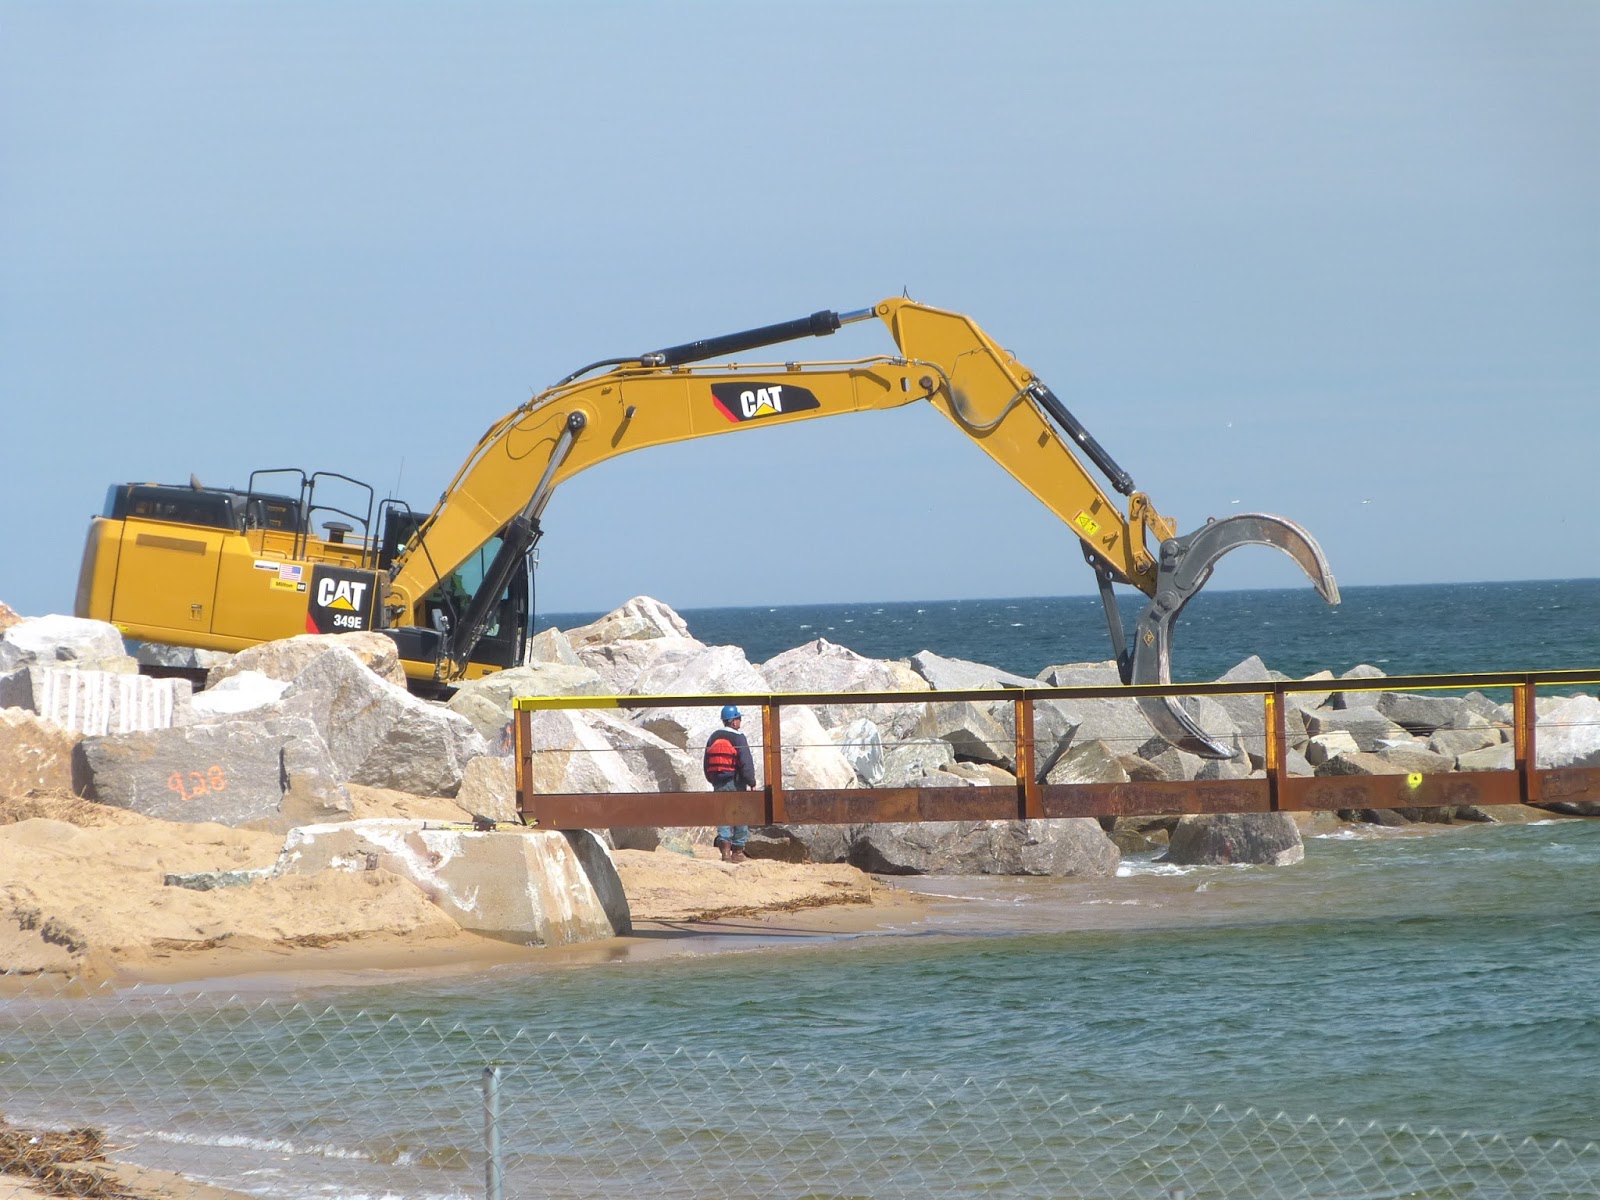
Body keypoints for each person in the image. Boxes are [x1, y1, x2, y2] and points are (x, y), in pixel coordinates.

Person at [704, 703, 757, 863]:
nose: (740, 722)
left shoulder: (713, 737)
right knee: (740, 814)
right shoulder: (738, 737)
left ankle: (725, 852)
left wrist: (712, 779)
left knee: (723, 815)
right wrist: (751, 782)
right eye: (739, 719)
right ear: (733, 721)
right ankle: (738, 851)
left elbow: (706, 762)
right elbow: (746, 762)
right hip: (736, 783)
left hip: (718, 783)